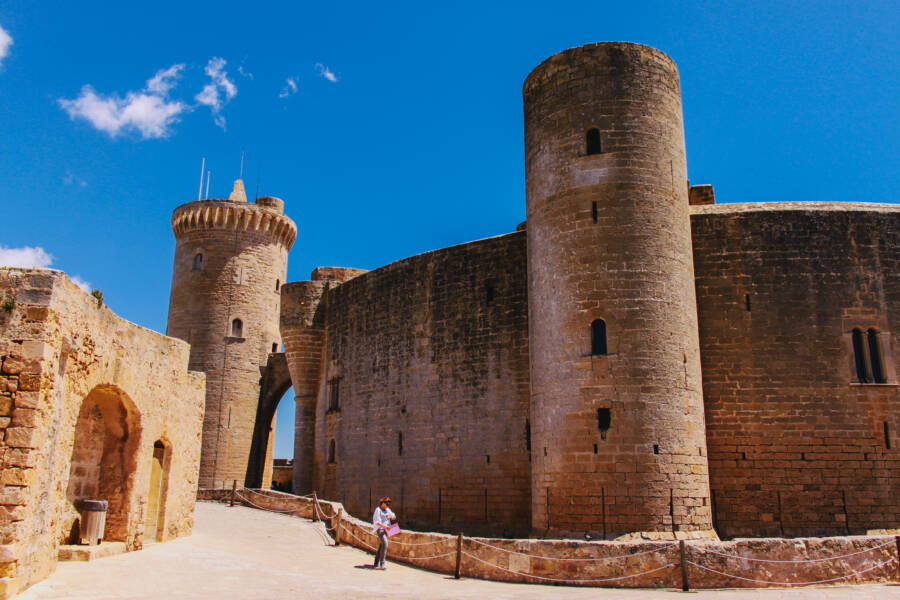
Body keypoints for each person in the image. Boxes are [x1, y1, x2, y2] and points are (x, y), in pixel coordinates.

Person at [371, 497, 396, 570]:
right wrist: (385, 526)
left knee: (382, 546)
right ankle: (382, 564)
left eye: (388, 504)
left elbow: (394, 516)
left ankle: (376, 562)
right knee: (385, 544)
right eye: (386, 504)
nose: (387, 505)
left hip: (387, 530)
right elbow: (377, 522)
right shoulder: (378, 510)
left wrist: (391, 517)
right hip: (380, 529)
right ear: (382, 503)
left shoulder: (387, 510)